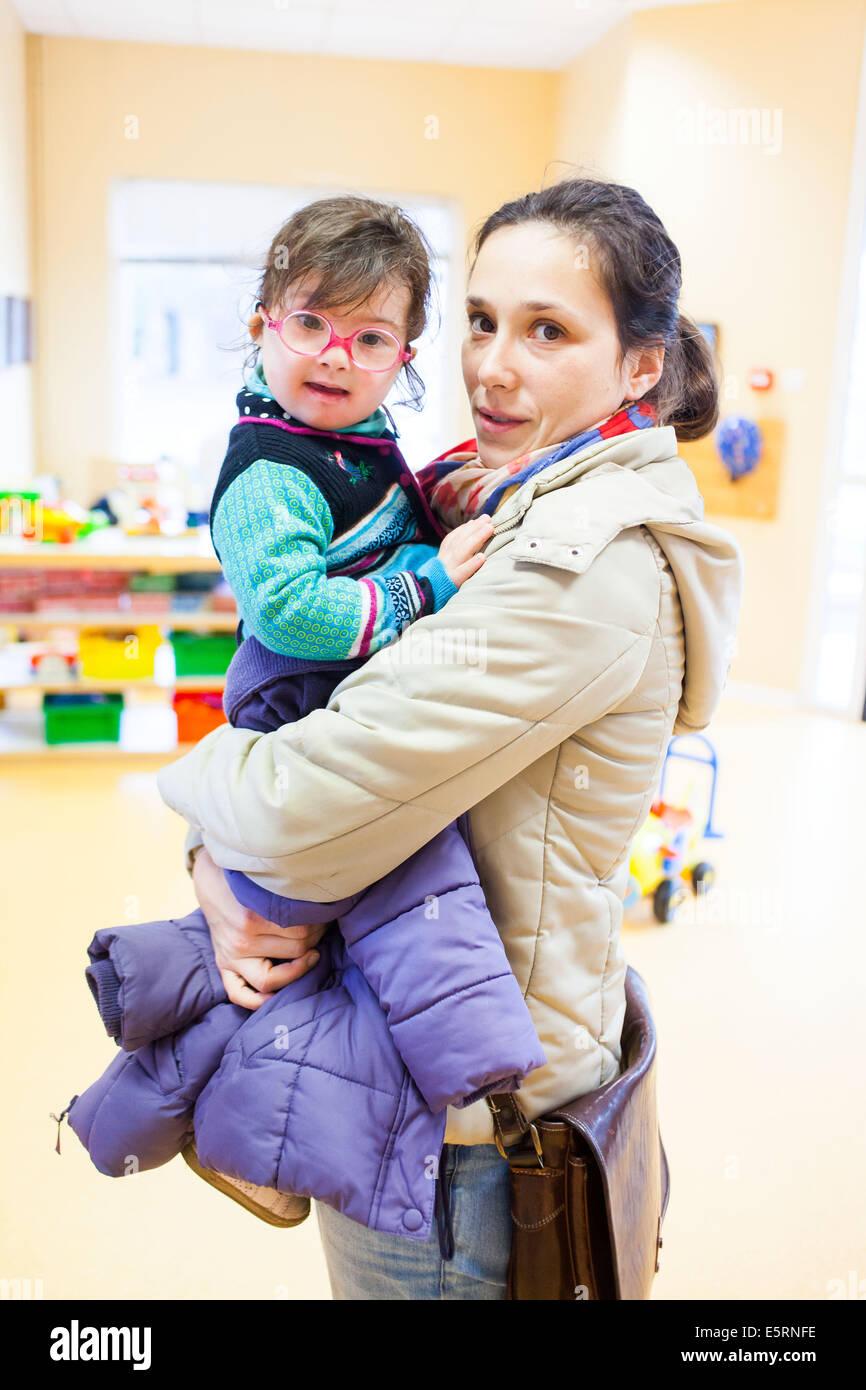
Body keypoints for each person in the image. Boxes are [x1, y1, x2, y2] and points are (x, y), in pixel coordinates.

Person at [158, 176, 745, 1300]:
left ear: (639, 366)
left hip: (465, 1134)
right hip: (437, 1066)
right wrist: (217, 864)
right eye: (480, 321)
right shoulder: (519, 497)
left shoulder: (578, 568)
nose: (491, 366)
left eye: (546, 331)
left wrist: (192, 808)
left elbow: (296, 811)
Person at [64, 193, 547, 1239]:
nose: (335, 356)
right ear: (261, 325)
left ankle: (202, 1091)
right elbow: (292, 602)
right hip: (299, 695)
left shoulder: (349, 432)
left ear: (403, 358)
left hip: (343, 695)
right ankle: (472, 1077)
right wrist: (422, 587)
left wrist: (440, 495)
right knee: (398, 919)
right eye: (310, 324)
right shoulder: (264, 469)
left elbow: (368, 515)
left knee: (301, 953)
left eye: (369, 337)